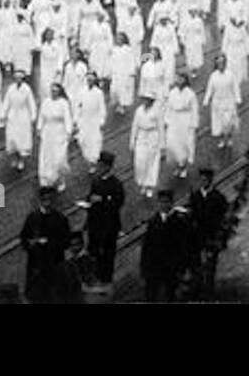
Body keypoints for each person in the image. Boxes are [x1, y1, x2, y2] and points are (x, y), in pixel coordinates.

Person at [78, 151, 125, 289]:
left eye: (101, 165)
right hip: (95, 224)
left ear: (107, 166)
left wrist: (103, 200)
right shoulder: (96, 180)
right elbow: (91, 197)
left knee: (107, 254)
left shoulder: (116, 184)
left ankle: (106, 280)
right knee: (93, 251)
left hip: (109, 226)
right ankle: (94, 277)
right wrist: (88, 203)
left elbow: (118, 202)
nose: (99, 167)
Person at [19, 187, 73, 303]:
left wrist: (49, 243)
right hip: (36, 265)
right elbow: (24, 237)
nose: (47, 203)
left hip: (53, 264)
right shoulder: (32, 218)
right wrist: (30, 243)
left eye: (50, 200)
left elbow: (67, 241)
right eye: (44, 200)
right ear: (40, 201)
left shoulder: (60, 219)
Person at [140, 189, 193, 302]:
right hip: (154, 266)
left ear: (171, 203)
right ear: (158, 203)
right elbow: (147, 246)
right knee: (151, 296)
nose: (164, 205)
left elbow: (183, 246)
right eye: (161, 202)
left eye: (166, 202)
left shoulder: (178, 222)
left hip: (171, 267)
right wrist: (144, 267)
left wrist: (182, 267)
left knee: (170, 296)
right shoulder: (153, 222)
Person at [187, 168, 228, 300]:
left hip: (211, 236)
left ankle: (208, 293)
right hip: (196, 237)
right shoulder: (195, 196)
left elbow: (222, 218)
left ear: (210, 181)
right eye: (202, 180)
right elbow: (191, 215)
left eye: (205, 180)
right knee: (196, 266)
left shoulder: (218, 198)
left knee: (210, 267)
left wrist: (218, 236)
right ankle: (197, 291)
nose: (203, 182)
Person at [37, 82, 74, 190]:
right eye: (52, 91)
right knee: (46, 157)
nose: (53, 93)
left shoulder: (63, 103)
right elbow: (41, 116)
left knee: (59, 157)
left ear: (59, 92)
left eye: (56, 91)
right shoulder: (46, 102)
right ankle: (47, 179)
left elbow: (68, 119)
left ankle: (60, 180)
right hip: (48, 132)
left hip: (59, 133)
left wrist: (68, 132)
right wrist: (39, 128)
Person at [164, 73, 199, 179]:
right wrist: (166, 120)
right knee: (172, 144)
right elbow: (168, 107)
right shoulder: (172, 93)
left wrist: (194, 124)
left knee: (184, 145)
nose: (179, 81)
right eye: (177, 79)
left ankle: (182, 167)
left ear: (185, 81)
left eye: (181, 79)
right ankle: (178, 164)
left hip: (185, 121)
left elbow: (195, 110)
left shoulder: (191, 94)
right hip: (174, 120)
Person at [130, 93, 164, 198]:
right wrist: (132, 140)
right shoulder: (139, 110)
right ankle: (143, 182)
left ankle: (149, 185)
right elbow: (134, 125)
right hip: (141, 136)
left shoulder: (157, 111)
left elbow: (161, 127)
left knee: (151, 162)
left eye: (147, 99)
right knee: (140, 161)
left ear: (151, 101)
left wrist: (162, 143)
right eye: (144, 99)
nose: (145, 101)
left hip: (152, 136)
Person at [204, 55, 241, 151]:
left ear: (225, 63)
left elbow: (235, 87)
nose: (221, 65)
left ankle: (229, 137)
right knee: (218, 122)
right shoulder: (213, 76)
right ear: (216, 64)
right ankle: (221, 139)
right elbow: (209, 89)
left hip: (229, 101)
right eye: (218, 63)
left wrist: (238, 99)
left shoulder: (230, 75)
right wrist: (206, 100)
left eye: (222, 63)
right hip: (217, 102)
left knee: (228, 122)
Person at [2, 69, 36, 172]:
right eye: (16, 78)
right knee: (12, 138)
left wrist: (33, 116)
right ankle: (14, 157)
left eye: (20, 78)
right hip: (12, 116)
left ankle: (21, 160)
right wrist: (3, 114)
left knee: (22, 139)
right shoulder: (11, 88)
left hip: (23, 116)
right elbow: (6, 102)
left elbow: (31, 104)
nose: (18, 80)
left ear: (23, 79)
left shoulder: (27, 89)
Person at [73, 71, 107, 170]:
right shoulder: (81, 91)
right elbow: (77, 106)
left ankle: (93, 161)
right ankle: (88, 159)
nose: (90, 81)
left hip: (94, 121)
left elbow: (102, 108)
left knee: (94, 142)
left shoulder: (98, 93)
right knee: (83, 141)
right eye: (88, 79)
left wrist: (101, 120)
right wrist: (76, 119)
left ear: (95, 80)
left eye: (92, 80)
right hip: (83, 120)